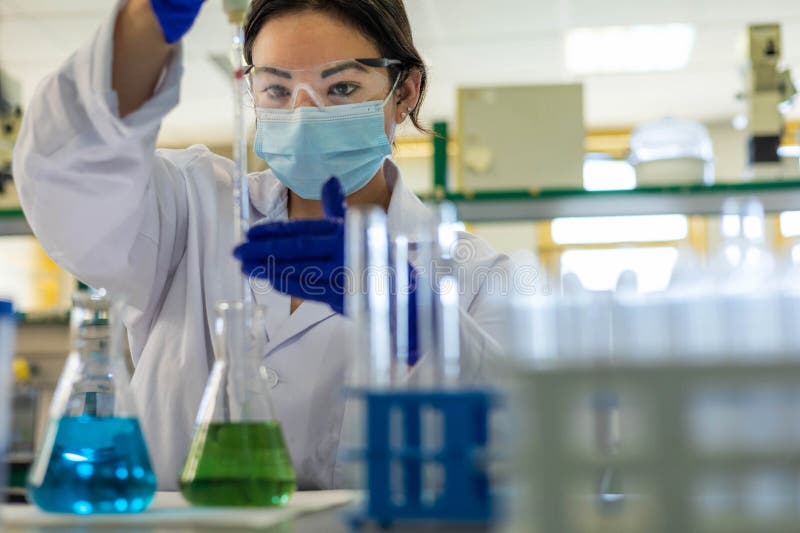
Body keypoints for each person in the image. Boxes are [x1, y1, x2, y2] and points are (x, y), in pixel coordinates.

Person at [13, 0, 511, 490]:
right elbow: (69, 181)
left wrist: (419, 321)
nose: (303, 115)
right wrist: (143, 22)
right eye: (276, 88)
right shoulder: (193, 205)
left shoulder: (476, 277)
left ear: (405, 91)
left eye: (341, 87)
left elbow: (521, 442)